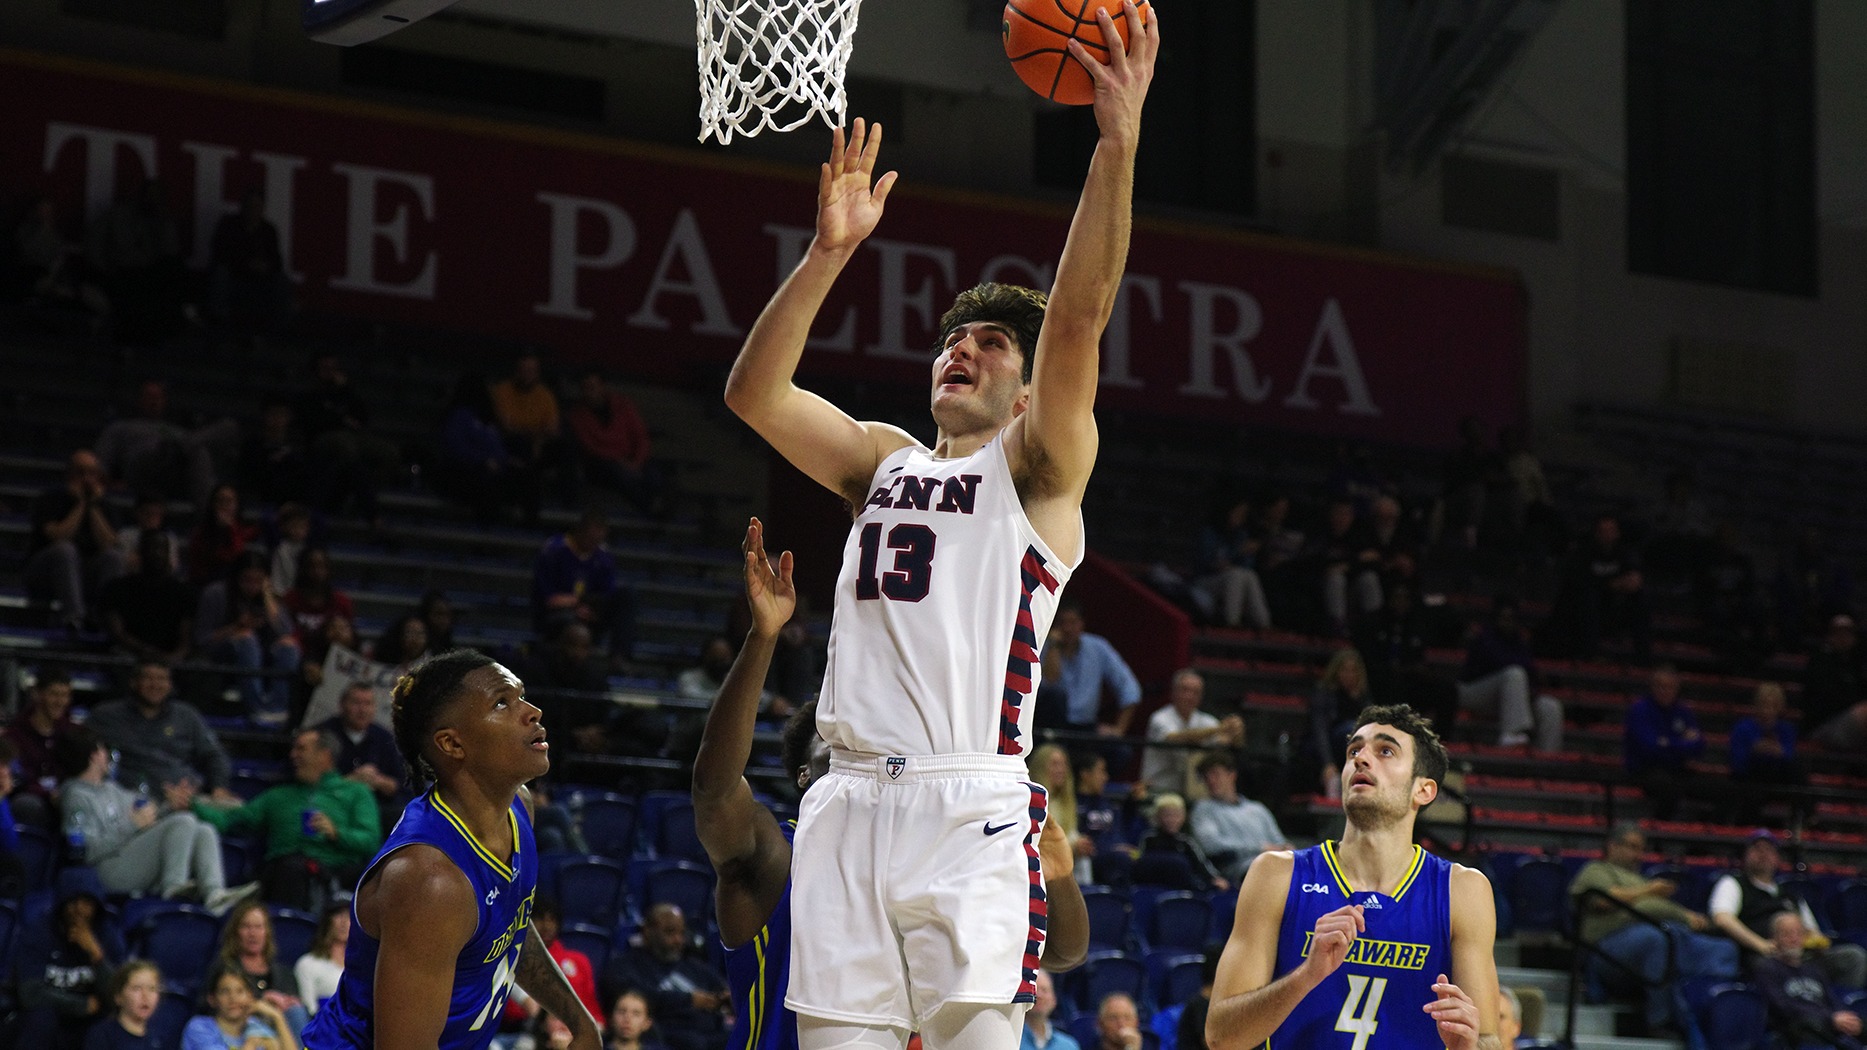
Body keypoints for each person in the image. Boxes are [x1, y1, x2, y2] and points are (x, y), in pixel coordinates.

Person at [722, 9, 1157, 1041]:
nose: (962, 349)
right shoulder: (880, 459)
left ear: (1025, 388)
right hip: (846, 800)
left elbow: (1083, 315)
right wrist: (828, 254)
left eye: (995, 343)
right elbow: (753, 392)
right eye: (953, 338)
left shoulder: (1039, 471)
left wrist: (1114, 144)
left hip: (972, 807)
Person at [692, 520, 1090, 1050]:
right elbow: (714, 792)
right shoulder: (775, 856)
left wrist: (1057, 876)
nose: (868, 766)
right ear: (805, 778)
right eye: (841, 757)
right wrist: (763, 637)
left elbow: (1060, 953)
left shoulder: (941, 838)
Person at [301, 648, 601, 1049]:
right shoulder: (431, 882)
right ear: (452, 744)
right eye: (502, 703)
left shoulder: (519, 806)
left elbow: (509, 927)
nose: (532, 712)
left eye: (523, 696)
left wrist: (580, 1022)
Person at [1207, 704, 1498, 1050]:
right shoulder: (1277, 875)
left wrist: (1465, 1047)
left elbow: (1489, 1039)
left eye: (1385, 751)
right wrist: (1305, 976)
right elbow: (1221, 1037)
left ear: (1424, 791)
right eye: (1353, 751)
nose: (1361, 759)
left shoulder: (1462, 890)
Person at [1565, 822, 1737, 1039]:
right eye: (1632, 847)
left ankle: (1709, 1015)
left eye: (1641, 849)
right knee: (1657, 939)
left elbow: (1655, 908)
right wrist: (1649, 890)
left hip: (1658, 937)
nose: (1638, 854)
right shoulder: (1596, 870)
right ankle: (1660, 1020)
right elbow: (1601, 900)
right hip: (1607, 949)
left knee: (1725, 949)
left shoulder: (1639, 878)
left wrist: (1685, 916)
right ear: (1612, 846)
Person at [186, 728, 382, 912]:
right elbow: (230, 821)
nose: (293, 755)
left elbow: (371, 841)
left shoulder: (356, 793)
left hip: (336, 872)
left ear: (325, 756)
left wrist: (337, 833)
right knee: (291, 868)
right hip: (285, 872)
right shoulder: (278, 796)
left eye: (301, 749)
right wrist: (192, 805)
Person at [55, 725, 239, 907]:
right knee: (183, 821)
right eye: (103, 750)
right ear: (94, 756)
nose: (107, 756)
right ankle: (173, 887)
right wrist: (131, 825)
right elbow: (85, 852)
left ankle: (215, 894)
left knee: (203, 830)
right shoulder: (75, 797)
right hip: (106, 870)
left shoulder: (110, 788)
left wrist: (170, 806)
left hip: (127, 857)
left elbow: (147, 813)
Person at [1708, 831, 1867, 991]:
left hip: (1801, 957)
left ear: (1778, 858)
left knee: (1853, 957)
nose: (1763, 854)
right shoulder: (1734, 883)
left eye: (1769, 850)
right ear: (1745, 855)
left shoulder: (1791, 896)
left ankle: (1842, 1008)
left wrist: (1814, 943)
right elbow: (1723, 919)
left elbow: (1813, 932)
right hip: (1762, 956)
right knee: (1767, 967)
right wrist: (1761, 945)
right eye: (1757, 849)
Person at [88, 660, 240, 805]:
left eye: (162, 679)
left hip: (185, 797)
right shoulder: (106, 716)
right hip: (127, 799)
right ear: (134, 682)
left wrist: (218, 788)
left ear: (170, 685)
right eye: (148, 678)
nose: (155, 685)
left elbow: (214, 755)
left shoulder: (186, 715)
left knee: (231, 812)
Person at [10, 867, 122, 1050]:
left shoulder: (108, 935)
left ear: (96, 905)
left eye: (86, 902)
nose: (79, 910)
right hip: (50, 1018)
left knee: (112, 1023)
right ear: (61, 904)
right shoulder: (38, 932)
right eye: (72, 901)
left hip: (90, 1022)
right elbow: (30, 993)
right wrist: (80, 1005)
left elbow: (118, 996)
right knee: (41, 1019)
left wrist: (96, 955)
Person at [600, 903, 731, 1050]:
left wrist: (726, 997)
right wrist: (688, 1000)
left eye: (681, 933)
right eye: (670, 932)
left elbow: (722, 988)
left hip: (709, 1031)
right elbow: (638, 996)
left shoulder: (693, 966)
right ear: (647, 931)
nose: (678, 940)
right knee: (694, 1043)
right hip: (665, 1032)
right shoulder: (626, 966)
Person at [196, 550, 303, 727]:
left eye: (258, 580)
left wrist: (268, 596)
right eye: (247, 580)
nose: (252, 586)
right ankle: (257, 708)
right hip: (223, 653)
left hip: (262, 655)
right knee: (246, 638)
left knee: (288, 646)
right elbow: (202, 640)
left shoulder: (269, 597)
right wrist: (236, 627)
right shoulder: (216, 593)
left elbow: (285, 631)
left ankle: (277, 709)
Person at [24, 449, 126, 632]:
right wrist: (79, 505)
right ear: (69, 474)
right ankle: (74, 617)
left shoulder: (105, 505)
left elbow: (110, 543)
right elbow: (58, 536)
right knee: (65, 550)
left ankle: (104, 619)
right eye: (80, 472)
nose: (86, 478)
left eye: (91, 473)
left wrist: (92, 506)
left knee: (113, 557)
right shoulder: (50, 499)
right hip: (45, 572)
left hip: (85, 573)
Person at [435, 373, 543, 527]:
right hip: (467, 473)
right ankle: (487, 534)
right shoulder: (459, 416)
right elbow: (455, 449)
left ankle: (531, 526)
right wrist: (482, 461)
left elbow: (495, 447)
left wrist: (507, 460)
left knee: (527, 475)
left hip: (495, 470)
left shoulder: (486, 418)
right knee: (488, 485)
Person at [1456, 598, 1563, 751]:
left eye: (1511, 618)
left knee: (1550, 706)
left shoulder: (1519, 642)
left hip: (1508, 700)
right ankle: (1512, 734)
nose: (1507, 622)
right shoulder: (1485, 638)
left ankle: (1549, 759)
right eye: (1504, 618)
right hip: (1474, 692)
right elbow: (1500, 664)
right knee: (1514, 674)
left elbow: (1531, 672)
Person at [1751, 911, 1864, 1050]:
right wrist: (1830, 1018)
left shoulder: (1813, 969)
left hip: (1826, 1024)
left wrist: (1844, 1017)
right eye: (1787, 934)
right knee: (1810, 1025)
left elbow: (1831, 999)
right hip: (1797, 1027)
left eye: (1799, 933)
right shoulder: (1767, 968)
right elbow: (1782, 1006)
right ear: (1774, 939)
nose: (1794, 939)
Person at [532, 509, 636, 659]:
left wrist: (593, 609)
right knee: (568, 619)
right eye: (590, 539)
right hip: (558, 614)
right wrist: (576, 605)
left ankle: (619, 657)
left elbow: (606, 594)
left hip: (589, 611)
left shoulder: (602, 556)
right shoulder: (554, 551)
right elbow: (547, 598)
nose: (594, 545)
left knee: (626, 595)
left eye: (598, 541)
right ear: (580, 532)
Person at [566, 369, 666, 518]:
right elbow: (590, 447)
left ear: (602, 386)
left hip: (630, 457)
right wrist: (621, 462)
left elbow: (640, 436)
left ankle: (659, 504)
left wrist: (636, 462)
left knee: (654, 475)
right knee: (622, 476)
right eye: (585, 388)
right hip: (601, 464)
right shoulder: (577, 415)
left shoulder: (623, 405)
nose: (589, 392)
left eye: (593, 387)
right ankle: (651, 509)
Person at [315, 682, 409, 830]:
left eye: (368, 704)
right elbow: (311, 782)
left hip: (377, 807)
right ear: (342, 705)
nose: (362, 710)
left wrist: (379, 781)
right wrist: (351, 780)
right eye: (356, 703)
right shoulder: (322, 735)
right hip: (335, 805)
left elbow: (402, 784)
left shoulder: (385, 738)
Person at [1188, 753, 1291, 884]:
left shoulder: (1257, 809)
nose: (1211, 781)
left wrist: (1287, 848)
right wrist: (1258, 848)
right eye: (1206, 777)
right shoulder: (1204, 810)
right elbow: (1211, 844)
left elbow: (1278, 840)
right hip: (1239, 869)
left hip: (1274, 862)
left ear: (1232, 775)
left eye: (1216, 774)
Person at [99, 528, 196, 666]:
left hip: (169, 657)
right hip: (130, 655)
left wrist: (173, 658)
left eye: (163, 549)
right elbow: (118, 633)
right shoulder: (116, 588)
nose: (158, 554)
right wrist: (147, 653)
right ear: (140, 552)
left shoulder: (184, 592)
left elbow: (185, 639)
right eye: (153, 548)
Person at [1142, 669, 1243, 797]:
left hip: (1195, 793)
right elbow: (1174, 738)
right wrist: (1218, 729)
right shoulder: (1159, 718)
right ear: (1173, 692)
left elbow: (1230, 742)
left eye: (1195, 692)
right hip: (1159, 790)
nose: (1189, 696)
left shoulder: (1207, 721)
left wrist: (1237, 729)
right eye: (1185, 690)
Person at [1047, 604, 1145, 736]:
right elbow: (1050, 681)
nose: (1067, 629)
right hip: (1050, 725)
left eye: (1073, 622)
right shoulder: (1045, 646)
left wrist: (1119, 729)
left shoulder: (1098, 647)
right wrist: (1053, 646)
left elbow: (1130, 689)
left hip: (1085, 727)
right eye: (1062, 623)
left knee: (1121, 750)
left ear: (1082, 624)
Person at [1623, 665, 1703, 820]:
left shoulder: (1683, 711)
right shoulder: (1640, 710)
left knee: (1718, 788)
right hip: (1645, 770)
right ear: (1652, 687)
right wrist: (1681, 744)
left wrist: (1667, 743)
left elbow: (1698, 746)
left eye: (1670, 687)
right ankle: (1659, 836)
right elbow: (1648, 748)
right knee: (1669, 789)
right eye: (1661, 686)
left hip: (1678, 769)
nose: (1665, 691)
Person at [6, 667, 77, 827]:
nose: (60, 702)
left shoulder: (73, 733)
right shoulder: (15, 735)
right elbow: (16, 780)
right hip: (33, 798)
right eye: (54, 694)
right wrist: (47, 795)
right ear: (37, 694)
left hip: (68, 796)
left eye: (65, 695)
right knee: (26, 804)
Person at [1728, 683, 1806, 824]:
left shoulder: (1786, 729)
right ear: (1756, 705)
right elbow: (1737, 764)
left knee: (1798, 771)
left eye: (1773, 705)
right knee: (1751, 791)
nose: (1768, 710)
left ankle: (1808, 819)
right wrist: (1755, 752)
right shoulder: (1743, 728)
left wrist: (1779, 752)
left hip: (1778, 780)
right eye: (1764, 704)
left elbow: (1790, 757)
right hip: (1750, 779)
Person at [185, 964, 300, 1050]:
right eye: (225, 991)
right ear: (212, 999)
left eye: (240, 991)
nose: (233, 998)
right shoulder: (199, 1027)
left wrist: (277, 1017)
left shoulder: (256, 1026)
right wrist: (251, 1044)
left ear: (251, 996)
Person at [1306, 648, 1372, 796]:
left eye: (1353, 671)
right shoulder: (1324, 693)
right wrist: (1327, 763)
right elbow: (1319, 731)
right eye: (1345, 670)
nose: (1349, 675)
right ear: (1336, 671)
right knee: (1351, 731)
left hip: (1356, 747)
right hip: (1327, 747)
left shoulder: (1364, 699)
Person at [1134, 794, 1228, 893]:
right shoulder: (1148, 839)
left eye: (1176, 815)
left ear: (1183, 817)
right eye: (1167, 815)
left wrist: (1215, 878)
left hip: (1182, 888)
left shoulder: (1186, 842)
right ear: (1157, 817)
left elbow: (1201, 863)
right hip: (1153, 887)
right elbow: (1141, 863)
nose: (1171, 820)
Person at [1802, 614, 1867, 752]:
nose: (1843, 637)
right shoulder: (1820, 661)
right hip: (1823, 726)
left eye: (1847, 633)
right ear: (1830, 635)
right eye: (1838, 633)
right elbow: (1826, 699)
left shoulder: (1856, 663)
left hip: (1850, 725)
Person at [186, 483, 259, 588]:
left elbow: (237, 556)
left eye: (229, 501)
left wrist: (230, 529)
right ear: (213, 504)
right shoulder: (200, 533)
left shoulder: (242, 530)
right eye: (220, 500)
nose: (225, 505)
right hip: (207, 586)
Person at [83, 960, 164, 1050]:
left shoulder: (157, 1038)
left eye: (152, 989)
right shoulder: (102, 1035)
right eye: (136, 988)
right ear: (118, 996)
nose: (145, 996)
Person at [295, 902, 350, 1016]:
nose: (344, 921)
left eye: (349, 916)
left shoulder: (366, 966)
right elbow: (310, 1011)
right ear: (328, 921)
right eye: (338, 915)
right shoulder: (308, 963)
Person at [1021, 971, 1079, 1050]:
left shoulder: (1069, 1046)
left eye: (1044, 990)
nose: (1039, 995)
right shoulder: (1010, 1040)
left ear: (1054, 999)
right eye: (1034, 989)